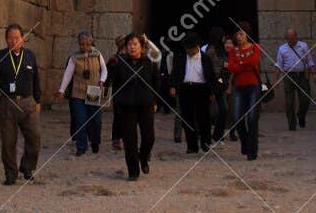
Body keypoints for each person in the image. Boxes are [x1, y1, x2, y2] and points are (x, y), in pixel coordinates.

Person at [0, 23, 42, 184]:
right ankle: (10, 174)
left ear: (22, 39)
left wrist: (38, 100)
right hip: (7, 103)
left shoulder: (30, 56)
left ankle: (27, 166)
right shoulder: (0, 56)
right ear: (6, 40)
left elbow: (36, 79)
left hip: (28, 103)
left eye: (17, 38)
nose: (13, 41)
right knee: (8, 141)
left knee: (35, 136)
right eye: (10, 38)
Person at [109, 34, 158, 181]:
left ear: (141, 47)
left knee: (149, 137)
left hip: (146, 105)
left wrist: (155, 101)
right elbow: (114, 83)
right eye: (129, 44)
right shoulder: (119, 63)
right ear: (125, 47)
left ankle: (143, 157)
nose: (132, 47)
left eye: (135, 44)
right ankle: (133, 171)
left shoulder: (150, 62)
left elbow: (156, 83)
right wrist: (117, 101)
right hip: (126, 106)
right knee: (129, 140)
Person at [58, 31, 108, 156]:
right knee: (80, 119)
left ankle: (95, 141)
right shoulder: (74, 58)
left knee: (95, 120)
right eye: (82, 44)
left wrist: (102, 80)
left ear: (91, 43)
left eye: (87, 44)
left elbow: (104, 70)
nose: (84, 47)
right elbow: (68, 75)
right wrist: (61, 90)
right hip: (78, 93)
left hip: (93, 91)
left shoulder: (97, 55)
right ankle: (81, 147)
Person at [167, 33, 216, 153]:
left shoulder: (205, 59)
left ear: (197, 47)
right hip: (185, 89)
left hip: (202, 89)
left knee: (204, 117)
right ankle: (192, 145)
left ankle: (205, 142)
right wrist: (173, 86)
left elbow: (211, 76)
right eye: (186, 49)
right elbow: (175, 73)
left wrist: (212, 92)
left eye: (190, 49)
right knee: (187, 118)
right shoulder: (181, 58)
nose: (188, 52)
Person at [226, 26, 265, 161]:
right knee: (237, 118)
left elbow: (254, 61)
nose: (239, 37)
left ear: (247, 35)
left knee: (252, 119)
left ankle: (252, 151)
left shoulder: (255, 47)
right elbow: (231, 67)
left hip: (253, 86)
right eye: (237, 34)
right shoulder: (233, 50)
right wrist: (244, 64)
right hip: (238, 87)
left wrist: (240, 63)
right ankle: (245, 143)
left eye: (241, 34)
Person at [275, 28, 315, 131]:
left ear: (296, 37)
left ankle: (301, 115)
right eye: (288, 39)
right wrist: (277, 80)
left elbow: (309, 61)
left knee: (305, 99)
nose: (291, 41)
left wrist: (314, 74)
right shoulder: (282, 49)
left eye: (292, 39)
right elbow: (279, 65)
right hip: (289, 76)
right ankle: (292, 125)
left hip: (302, 76)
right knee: (289, 102)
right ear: (286, 38)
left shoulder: (303, 46)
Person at [204, 26, 230, 142]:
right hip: (212, 84)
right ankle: (206, 134)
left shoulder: (221, 50)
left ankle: (218, 135)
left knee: (223, 109)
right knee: (210, 111)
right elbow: (209, 68)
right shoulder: (210, 51)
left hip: (220, 84)